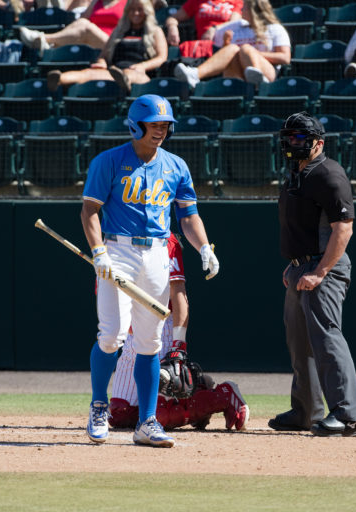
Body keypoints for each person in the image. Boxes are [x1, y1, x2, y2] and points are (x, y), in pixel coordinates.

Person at [80, 94, 219, 447]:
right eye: (154, 124)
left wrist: (204, 247)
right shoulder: (108, 161)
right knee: (111, 336)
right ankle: (99, 406)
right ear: (136, 124)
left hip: (157, 253)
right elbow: (89, 211)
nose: (160, 130)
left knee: (150, 342)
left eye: (165, 125)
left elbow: (188, 216)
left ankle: (147, 422)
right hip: (117, 250)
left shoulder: (176, 166)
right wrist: (100, 252)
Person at [269, 112, 356, 438]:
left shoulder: (328, 174)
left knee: (327, 339)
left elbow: (344, 229)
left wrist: (320, 270)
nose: (291, 143)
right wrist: (295, 264)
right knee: (300, 344)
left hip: (324, 269)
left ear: (318, 143)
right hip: (301, 267)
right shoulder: (298, 173)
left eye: (299, 138)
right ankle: (305, 412)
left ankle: (348, 416)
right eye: (289, 137)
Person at [109, 232, 249, 432]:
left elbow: (178, 294)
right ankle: (196, 392)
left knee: (160, 415)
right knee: (120, 414)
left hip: (161, 324)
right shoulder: (116, 234)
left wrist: (178, 347)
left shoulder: (166, 239)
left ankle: (224, 395)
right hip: (133, 333)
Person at [46, 0, 167, 93]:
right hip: (115, 71)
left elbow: (162, 57)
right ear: (127, 11)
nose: (136, 13)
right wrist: (102, 62)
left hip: (141, 74)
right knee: (88, 73)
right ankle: (59, 79)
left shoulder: (155, 31)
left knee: (129, 74)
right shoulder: (119, 31)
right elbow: (103, 55)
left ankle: (125, 83)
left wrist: (143, 66)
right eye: (132, 9)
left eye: (140, 9)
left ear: (147, 11)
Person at [173, 0, 290, 90]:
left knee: (244, 48)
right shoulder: (236, 27)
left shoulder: (274, 29)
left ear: (253, 11)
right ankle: (196, 74)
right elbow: (226, 58)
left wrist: (252, 53)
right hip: (238, 73)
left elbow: (285, 58)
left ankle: (258, 80)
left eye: (244, 9)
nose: (241, 11)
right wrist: (226, 43)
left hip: (267, 72)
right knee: (232, 48)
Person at [18, 0, 127, 55]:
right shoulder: (97, 2)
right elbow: (82, 20)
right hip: (91, 42)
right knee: (82, 22)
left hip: (112, 43)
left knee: (86, 27)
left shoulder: (127, 2)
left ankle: (45, 40)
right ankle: (48, 43)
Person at [164, 0, 243, 47]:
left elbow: (234, 23)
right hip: (204, 45)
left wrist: (214, 29)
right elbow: (173, 18)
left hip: (226, 43)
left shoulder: (236, 1)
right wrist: (172, 27)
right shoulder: (197, 1)